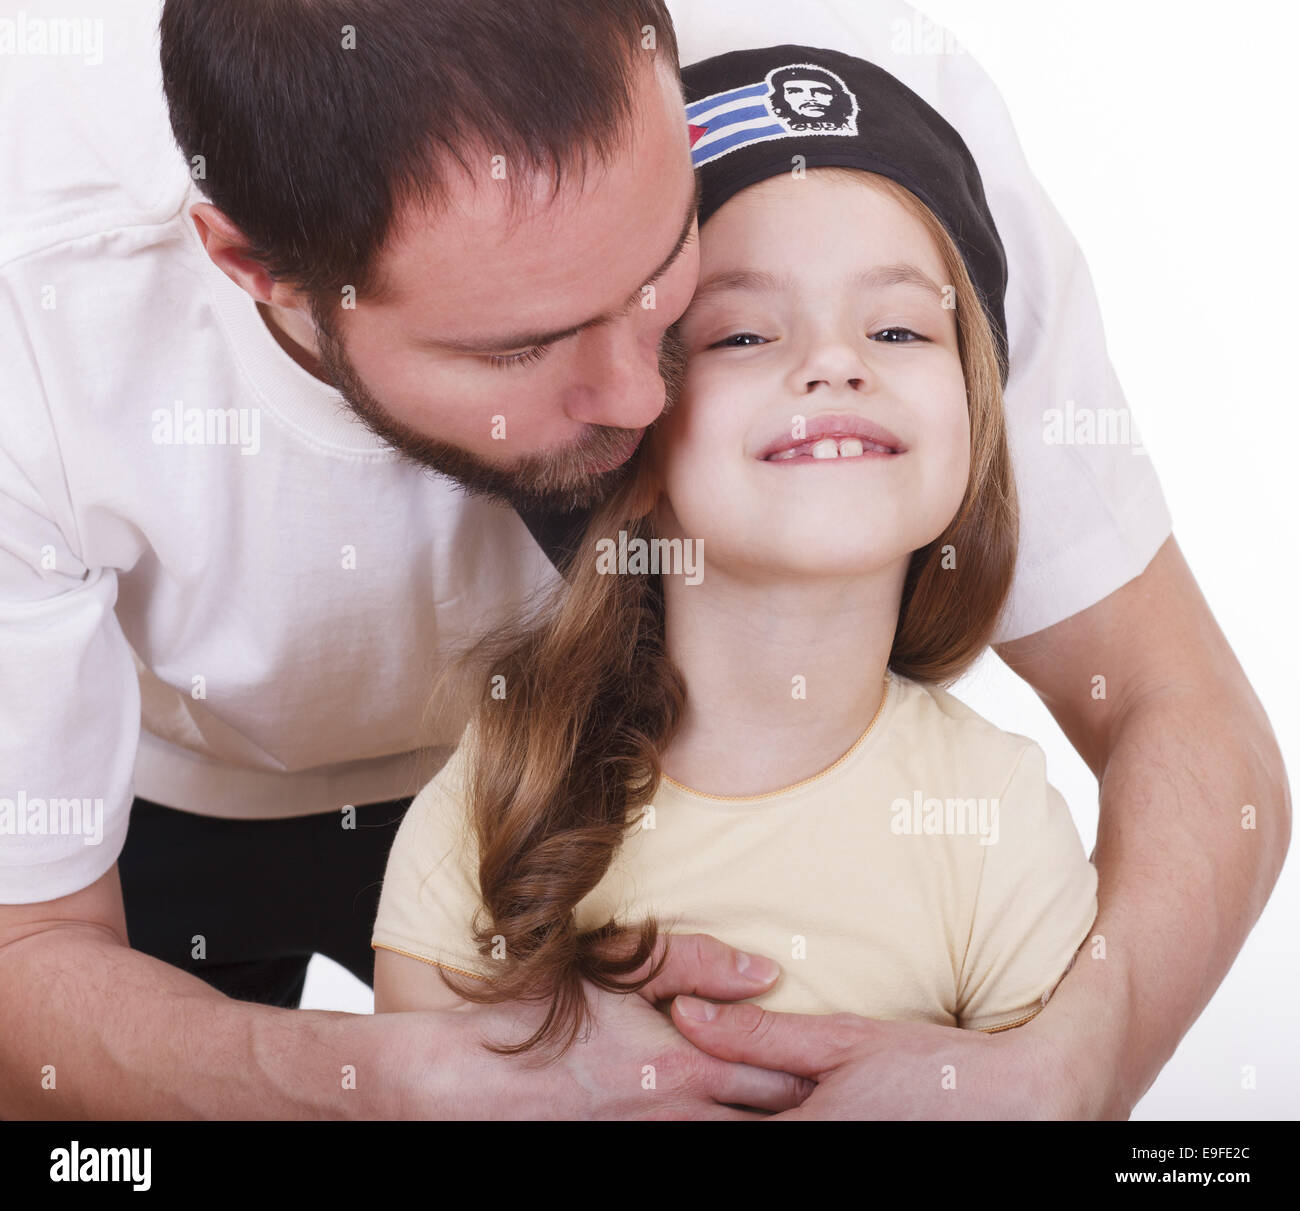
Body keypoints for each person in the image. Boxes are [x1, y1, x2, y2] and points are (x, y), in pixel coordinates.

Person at [0, 0, 1287, 1120]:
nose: (635, 396)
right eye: (522, 346)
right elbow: (29, 952)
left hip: (596, 745)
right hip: (171, 797)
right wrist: (387, 1081)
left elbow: (1177, 707)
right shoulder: (42, 284)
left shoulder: (863, 113)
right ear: (255, 266)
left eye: (668, 268)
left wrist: (1078, 1065)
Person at [370, 47, 1103, 1077]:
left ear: (974, 418)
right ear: (636, 440)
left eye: (897, 326)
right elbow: (418, 1093)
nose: (834, 360)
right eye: (744, 335)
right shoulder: (505, 786)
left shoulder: (997, 819)